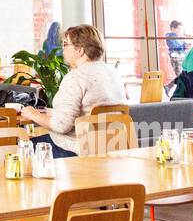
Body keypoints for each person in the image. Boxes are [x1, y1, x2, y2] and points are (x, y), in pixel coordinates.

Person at [19, 24, 127, 158]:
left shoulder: (76, 77)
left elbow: (61, 126)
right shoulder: (112, 73)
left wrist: (33, 114)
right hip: (112, 146)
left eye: (65, 44)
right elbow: (90, 112)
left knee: (18, 147)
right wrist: (54, 113)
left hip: (76, 149)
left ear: (80, 50)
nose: (62, 48)